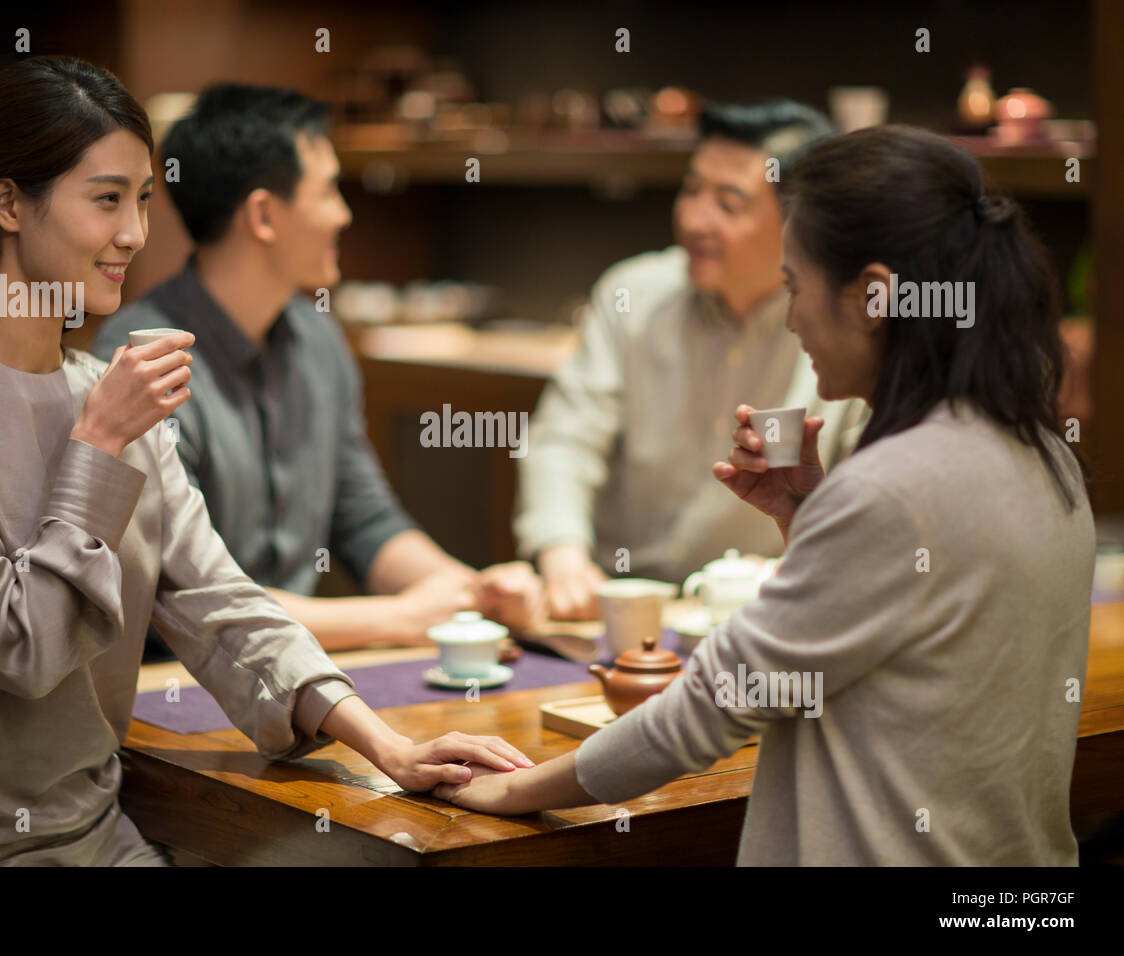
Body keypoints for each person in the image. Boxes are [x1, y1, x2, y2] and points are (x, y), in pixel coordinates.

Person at [0, 56, 531, 867]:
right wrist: (96, 445)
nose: (133, 235)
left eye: (142, 201)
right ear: (7, 203)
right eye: (106, 200)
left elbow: (218, 602)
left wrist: (388, 748)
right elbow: (11, 650)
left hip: (100, 831)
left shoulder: (112, 389)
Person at [433, 126, 1095, 866]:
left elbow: (712, 705)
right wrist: (810, 518)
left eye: (795, 287)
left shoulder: (889, 488)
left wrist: (513, 790)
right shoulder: (1046, 457)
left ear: (873, 296)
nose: (790, 318)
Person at [92, 85, 544, 654]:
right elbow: (181, 595)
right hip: (177, 688)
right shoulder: (140, 355)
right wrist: (400, 619)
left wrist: (470, 592)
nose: (344, 214)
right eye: (329, 190)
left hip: (301, 676)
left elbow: (365, 521)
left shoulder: (316, 338)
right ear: (263, 215)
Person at [517, 100, 868, 621]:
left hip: (754, 618)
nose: (693, 219)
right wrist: (563, 557)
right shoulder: (632, 294)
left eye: (728, 203)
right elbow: (565, 438)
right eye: (690, 190)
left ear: (803, 222)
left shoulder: (839, 335)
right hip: (620, 607)